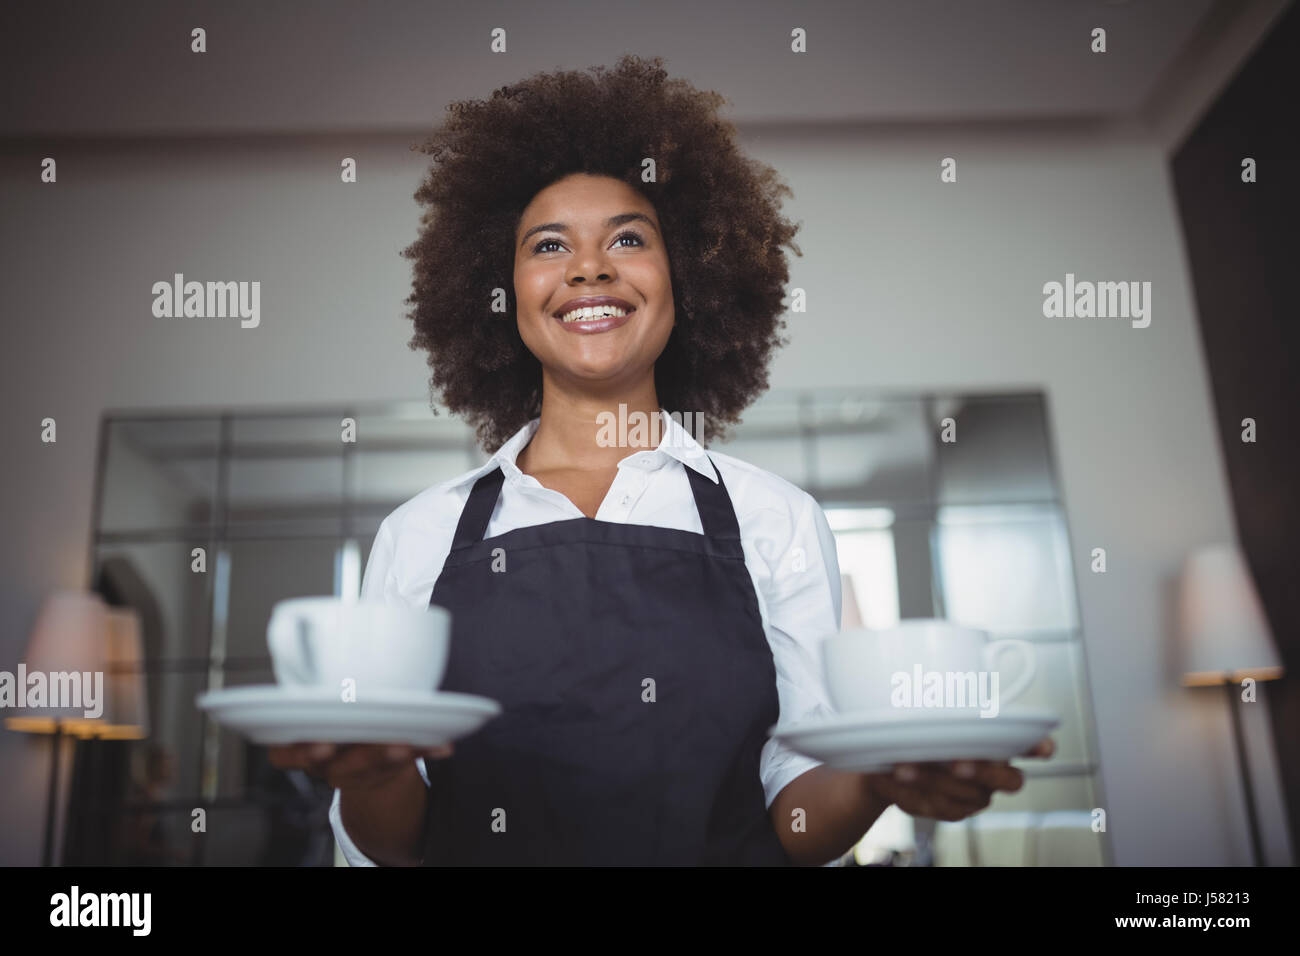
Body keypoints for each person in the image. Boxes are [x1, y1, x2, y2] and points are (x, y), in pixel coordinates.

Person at [270, 55, 1053, 866]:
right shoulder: (420, 534)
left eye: (629, 238)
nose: (589, 267)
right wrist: (367, 778)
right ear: (497, 292)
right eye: (548, 244)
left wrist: (878, 785)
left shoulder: (774, 520)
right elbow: (386, 851)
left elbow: (795, 815)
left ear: (690, 279)